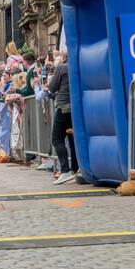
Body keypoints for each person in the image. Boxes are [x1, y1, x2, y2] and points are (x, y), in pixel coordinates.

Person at [48, 48, 76, 184]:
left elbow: (52, 88)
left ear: (64, 57)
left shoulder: (62, 68)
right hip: (75, 108)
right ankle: (75, 169)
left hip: (63, 106)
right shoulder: (78, 67)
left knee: (57, 139)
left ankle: (65, 170)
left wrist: (50, 87)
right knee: (72, 139)